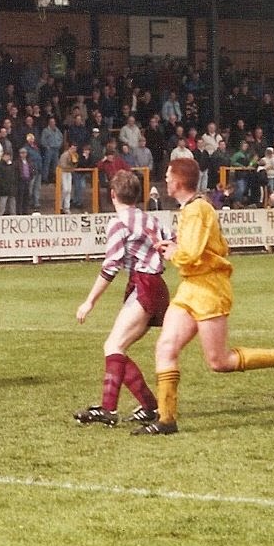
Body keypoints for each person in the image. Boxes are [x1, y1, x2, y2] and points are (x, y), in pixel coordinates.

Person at [135, 158, 274, 436]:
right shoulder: (192, 208)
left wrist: (174, 252)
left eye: (168, 175)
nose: (165, 180)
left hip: (210, 288)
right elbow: (198, 249)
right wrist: (175, 246)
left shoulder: (198, 209)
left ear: (178, 181)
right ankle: (166, 420)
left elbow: (191, 255)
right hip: (191, 286)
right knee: (165, 347)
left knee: (219, 361)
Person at [72, 170, 168, 427]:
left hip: (144, 284)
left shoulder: (118, 223)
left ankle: (108, 409)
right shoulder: (150, 219)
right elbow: (172, 243)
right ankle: (150, 406)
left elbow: (111, 265)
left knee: (114, 346)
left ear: (112, 194)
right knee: (117, 346)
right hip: (157, 286)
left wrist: (89, 301)